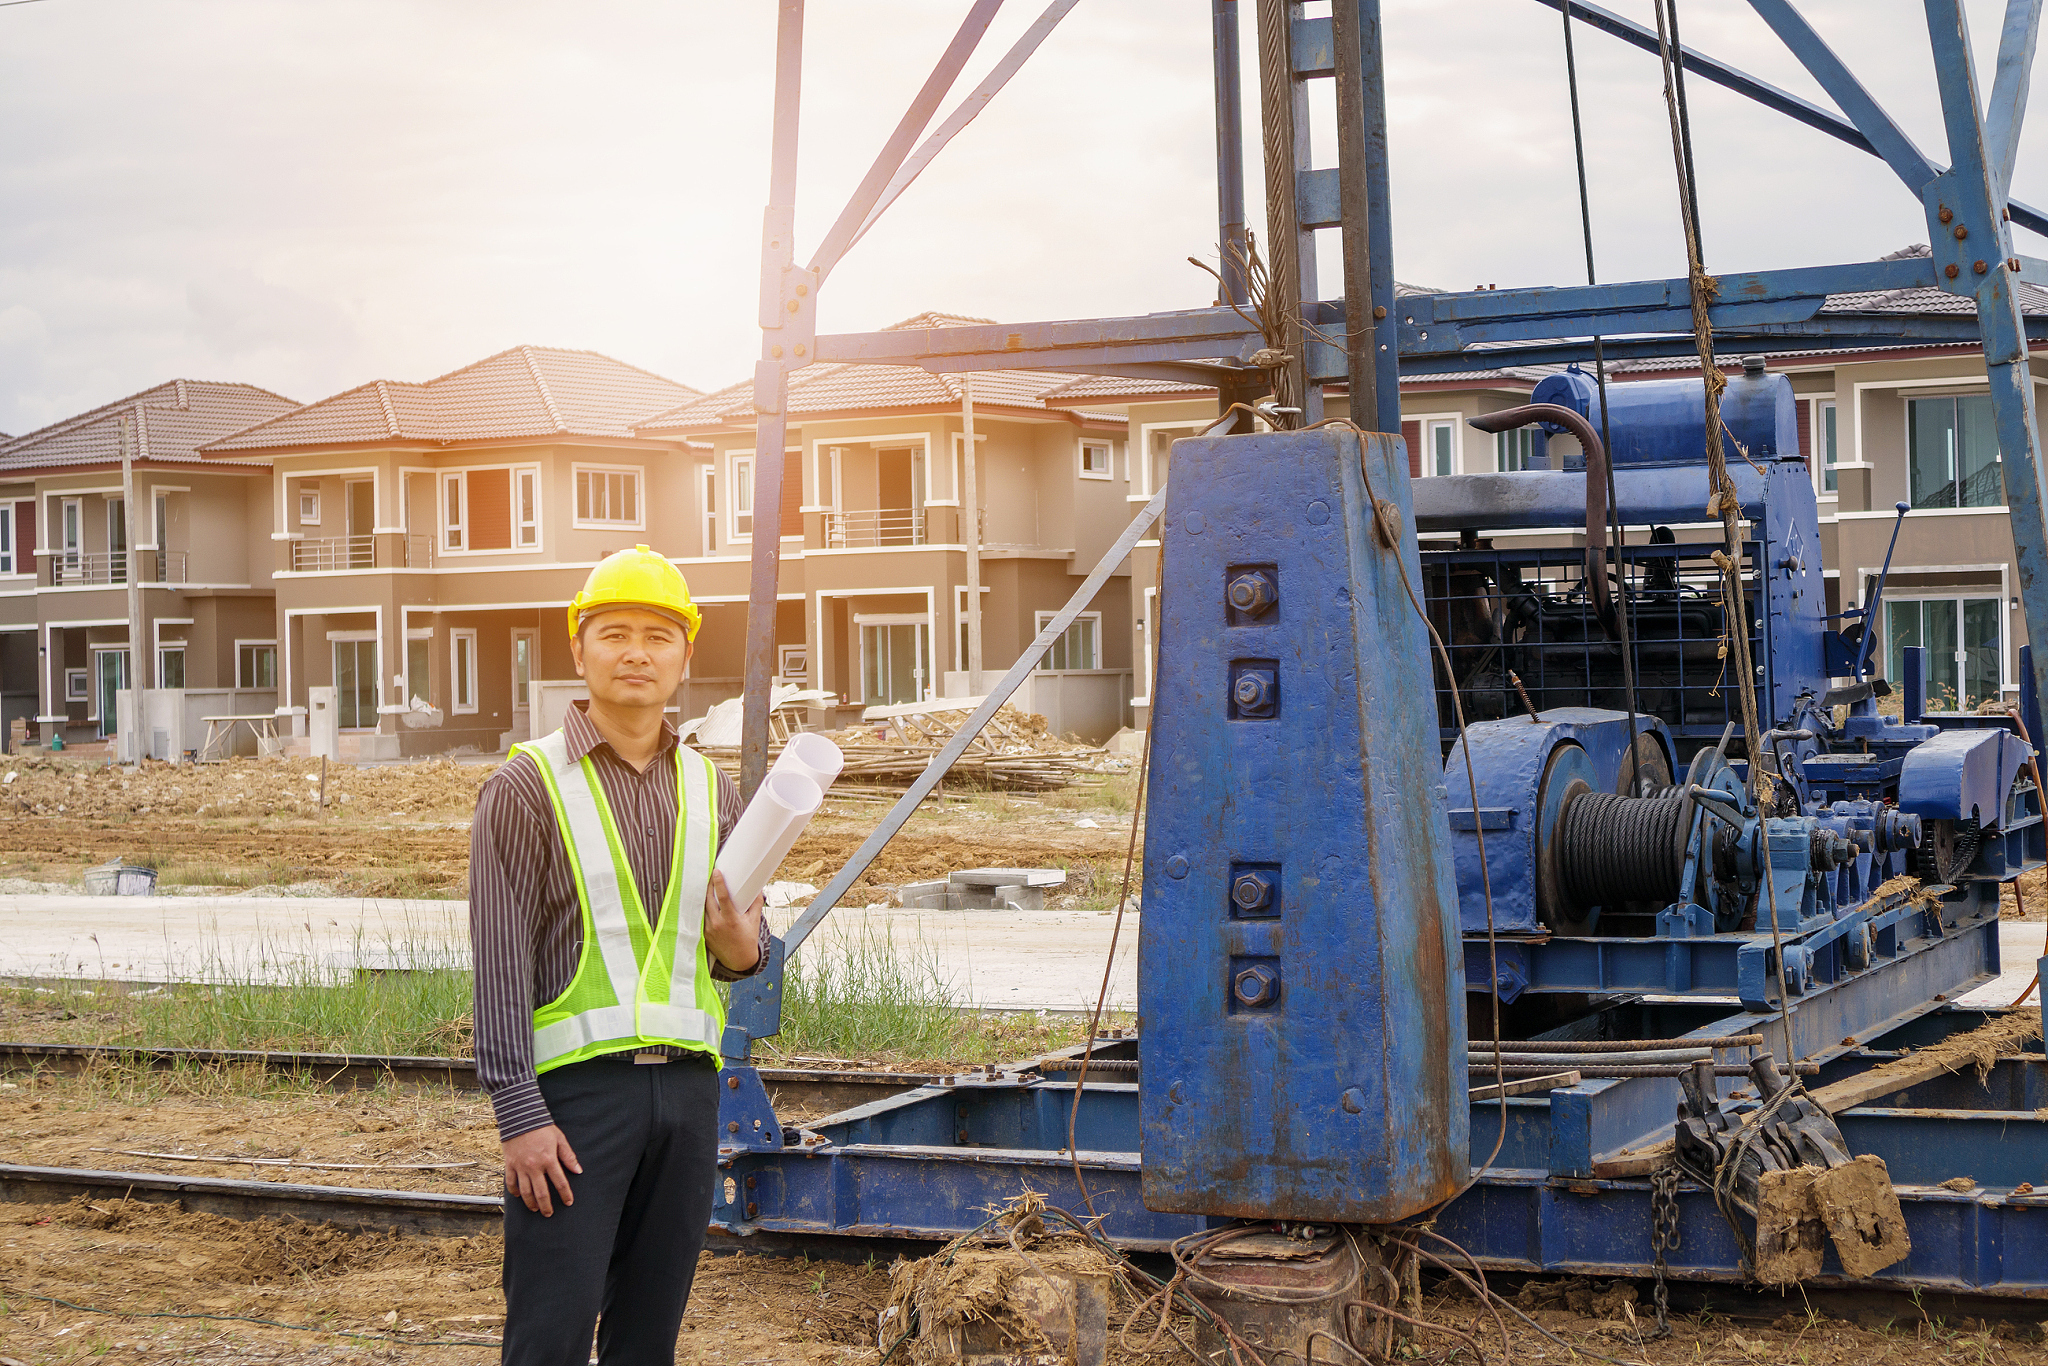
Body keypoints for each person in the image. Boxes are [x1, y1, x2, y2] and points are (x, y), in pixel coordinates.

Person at [468, 545, 771, 1366]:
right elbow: (498, 964)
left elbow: (740, 947)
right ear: (579, 650)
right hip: (573, 1104)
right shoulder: (527, 785)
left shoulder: (715, 790)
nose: (636, 652)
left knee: (648, 1342)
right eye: (614, 633)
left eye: (657, 636)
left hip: (687, 1094)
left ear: (684, 657)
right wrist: (518, 1115)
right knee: (550, 1338)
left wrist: (747, 952)